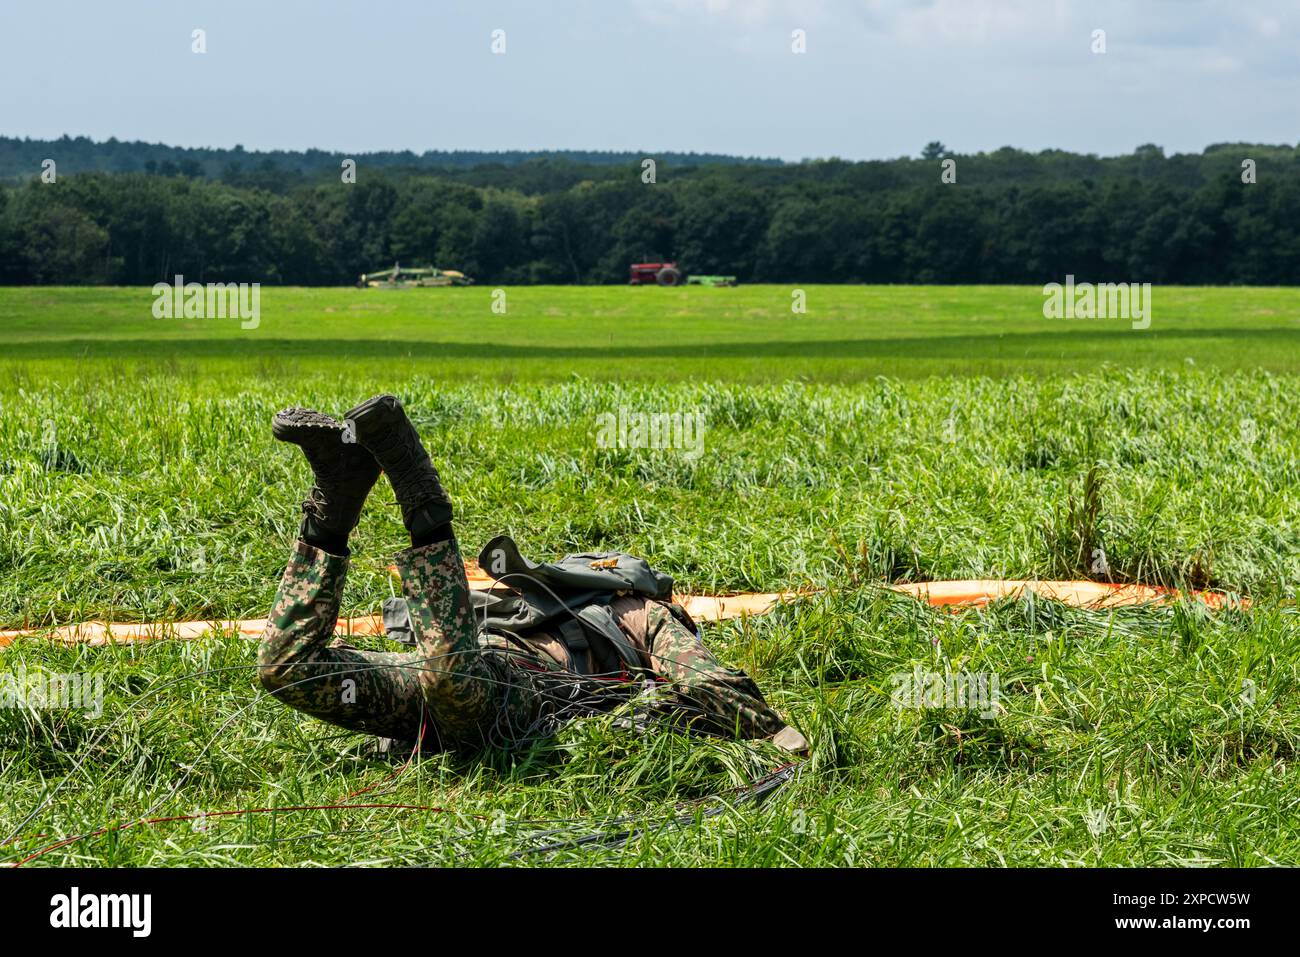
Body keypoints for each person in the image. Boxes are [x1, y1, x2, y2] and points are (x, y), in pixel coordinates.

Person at [257, 394, 808, 756]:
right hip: (471, 681)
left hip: (488, 694)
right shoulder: (645, 614)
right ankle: (354, 504)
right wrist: (778, 734)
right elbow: (712, 683)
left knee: (445, 680)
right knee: (285, 666)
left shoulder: (646, 615)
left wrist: (764, 732)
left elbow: (707, 684)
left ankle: (354, 489)